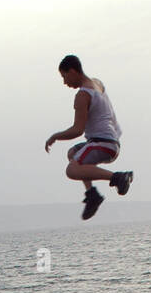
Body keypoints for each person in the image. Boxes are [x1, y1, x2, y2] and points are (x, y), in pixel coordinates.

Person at [45, 54, 133, 220]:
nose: (65, 83)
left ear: (72, 71)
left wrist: (55, 136)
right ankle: (92, 194)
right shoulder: (97, 83)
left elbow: (77, 130)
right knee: (72, 153)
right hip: (111, 142)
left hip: (103, 143)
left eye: (64, 77)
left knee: (71, 170)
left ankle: (118, 177)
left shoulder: (82, 96)